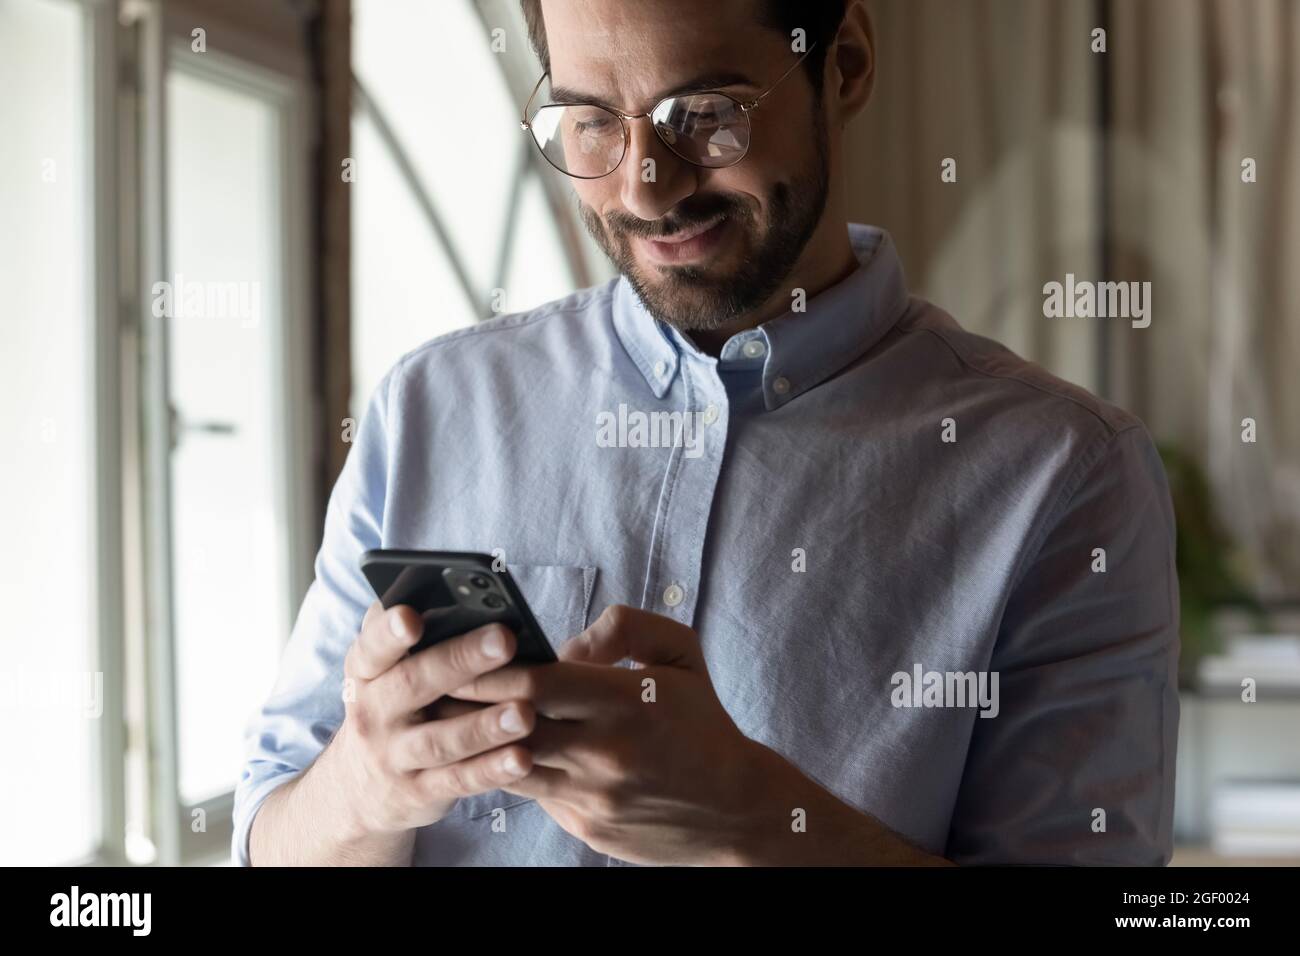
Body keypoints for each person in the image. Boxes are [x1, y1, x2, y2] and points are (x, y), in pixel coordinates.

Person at [236, 0, 1179, 866]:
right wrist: (362, 790)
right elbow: (271, 837)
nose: (646, 188)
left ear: (843, 65)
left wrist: (752, 820)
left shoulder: (1068, 474)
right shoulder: (430, 407)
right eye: (593, 120)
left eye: (704, 113)